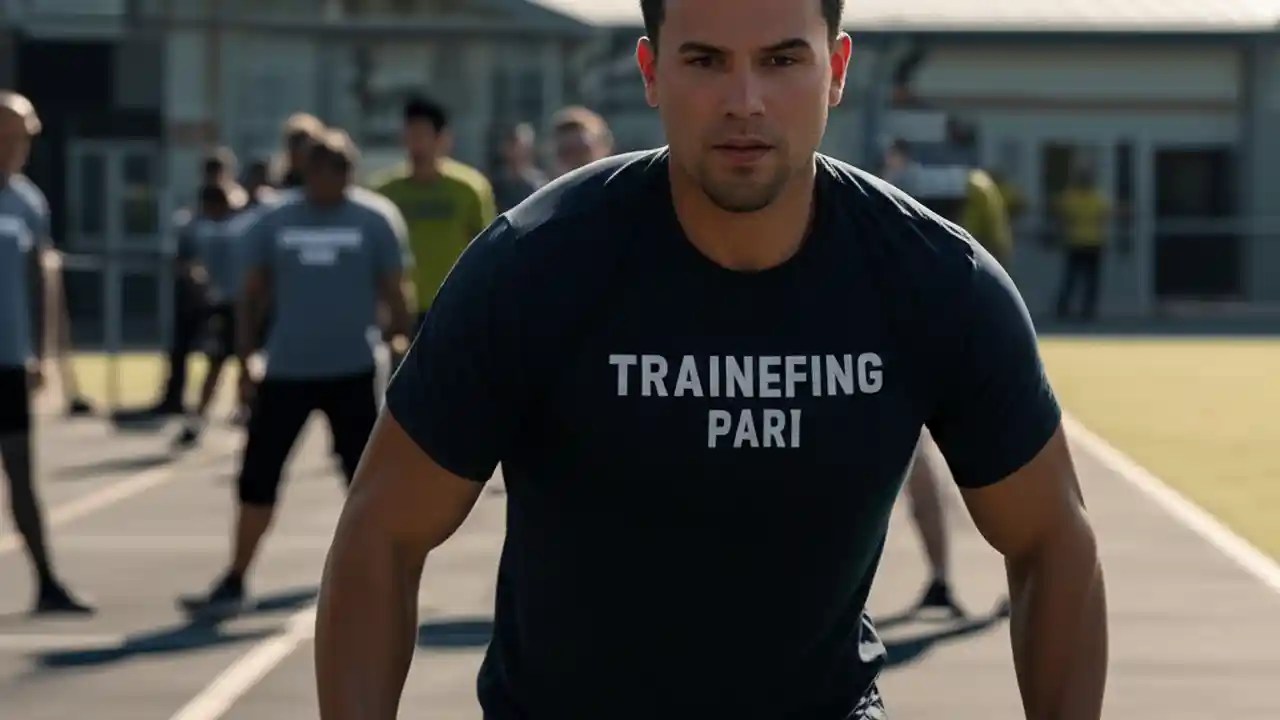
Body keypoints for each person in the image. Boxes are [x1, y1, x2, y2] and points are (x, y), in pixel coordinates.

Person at [315, 1, 1109, 718]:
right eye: (705, 61)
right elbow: (382, 532)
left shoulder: (934, 280)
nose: (744, 101)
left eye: (781, 59)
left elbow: (1050, 538)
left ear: (835, 70)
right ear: (652, 72)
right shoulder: (534, 266)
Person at [179, 130, 412, 617]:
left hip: (352, 369)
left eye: (344, 169)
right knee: (258, 475)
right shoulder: (275, 221)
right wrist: (245, 361)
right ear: (308, 171)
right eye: (326, 169)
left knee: (365, 481)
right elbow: (252, 294)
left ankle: (380, 576)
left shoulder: (375, 219)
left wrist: (402, 347)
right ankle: (236, 576)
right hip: (288, 369)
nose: (336, 179)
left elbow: (395, 291)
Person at [0, 90, 94, 614]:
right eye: (8, 136)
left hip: (10, 362)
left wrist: (41, 353)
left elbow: (40, 283)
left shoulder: (28, 202)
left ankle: (46, 582)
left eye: (23, 138)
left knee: (21, 474)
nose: (16, 147)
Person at [370, 96, 495, 333]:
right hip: (400, 309)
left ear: (442, 139)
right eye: (410, 135)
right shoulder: (384, 191)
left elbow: (486, 249)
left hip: (454, 303)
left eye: (422, 135)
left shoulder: (469, 189)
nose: (416, 145)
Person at [172, 184, 254, 448]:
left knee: (234, 362)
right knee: (227, 362)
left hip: (234, 303)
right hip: (228, 304)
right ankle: (226, 413)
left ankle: (239, 411)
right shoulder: (234, 228)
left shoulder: (227, 230)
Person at [1053, 165, 1110, 321]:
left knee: (1074, 279)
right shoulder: (1098, 198)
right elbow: (1104, 217)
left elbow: (1060, 218)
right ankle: (1085, 311)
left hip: (1078, 242)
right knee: (1086, 280)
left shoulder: (1070, 198)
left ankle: (1066, 309)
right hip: (1089, 242)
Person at [491, 122, 547, 213]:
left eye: (525, 146)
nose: (519, 151)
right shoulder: (494, 184)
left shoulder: (539, 185)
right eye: (514, 144)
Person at [548, 104, 614, 177]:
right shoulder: (540, 186)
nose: (574, 159)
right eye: (566, 152)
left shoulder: (621, 185)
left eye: (581, 151)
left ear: (602, 148)